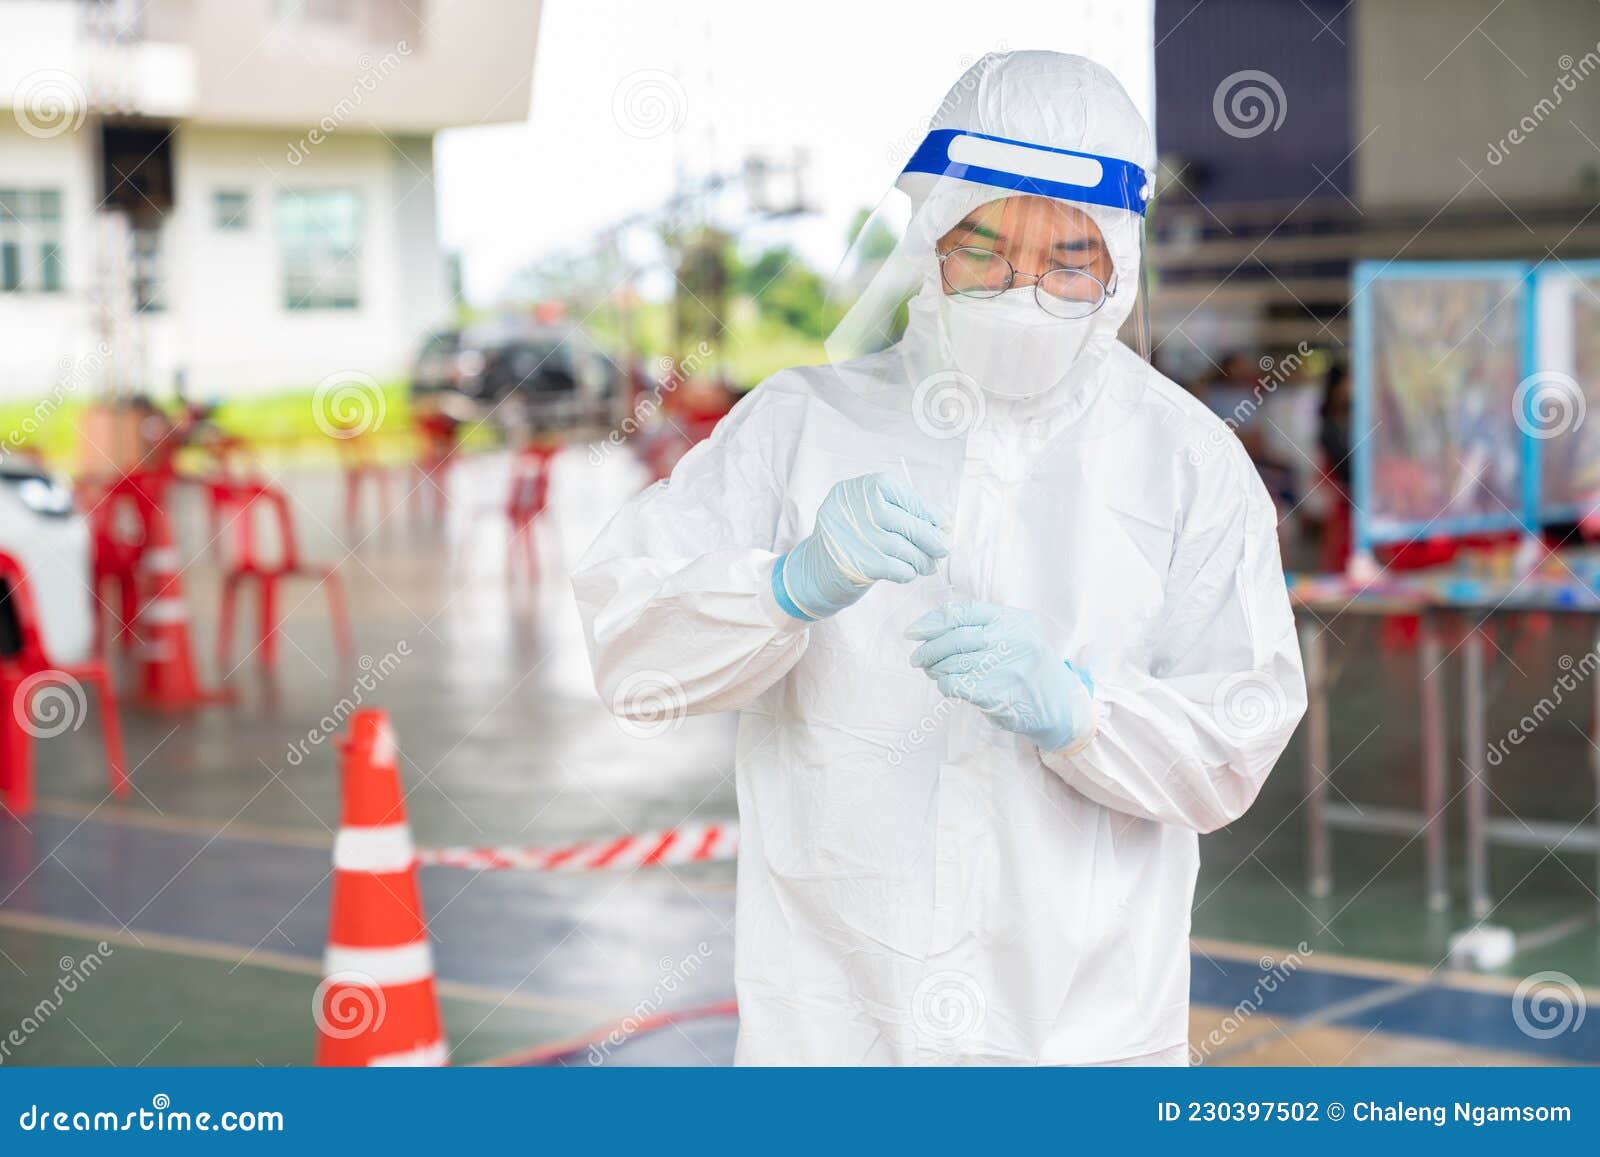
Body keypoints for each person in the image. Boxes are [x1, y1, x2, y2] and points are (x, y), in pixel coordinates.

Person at [574, 51, 1306, 1066]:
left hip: (1084, 1043)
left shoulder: (1183, 460)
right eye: (986, 251)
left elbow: (1235, 743)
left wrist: (1083, 712)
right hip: (834, 1037)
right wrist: (783, 586)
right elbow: (630, 655)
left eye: (1068, 260)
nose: (1022, 292)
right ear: (931, 243)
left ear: (1119, 269)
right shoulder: (801, 426)